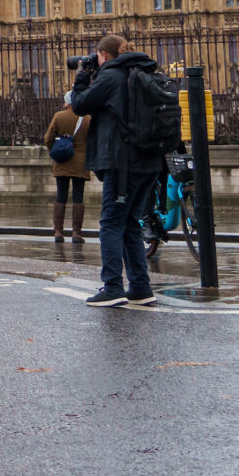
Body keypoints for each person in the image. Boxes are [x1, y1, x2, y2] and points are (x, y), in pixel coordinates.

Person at [68, 31, 167, 307]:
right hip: (150, 163)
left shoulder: (112, 76)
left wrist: (80, 78)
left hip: (123, 164)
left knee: (111, 224)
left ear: (104, 55)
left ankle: (112, 286)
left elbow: (79, 105)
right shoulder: (143, 72)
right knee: (129, 225)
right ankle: (140, 286)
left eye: (97, 57)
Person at [42, 98, 89, 245]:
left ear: (67, 103)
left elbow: (47, 138)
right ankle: (76, 233)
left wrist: (54, 152)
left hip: (62, 161)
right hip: (80, 162)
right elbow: (93, 140)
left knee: (61, 195)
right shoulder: (87, 119)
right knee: (78, 196)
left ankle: (58, 232)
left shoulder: (59, 116)